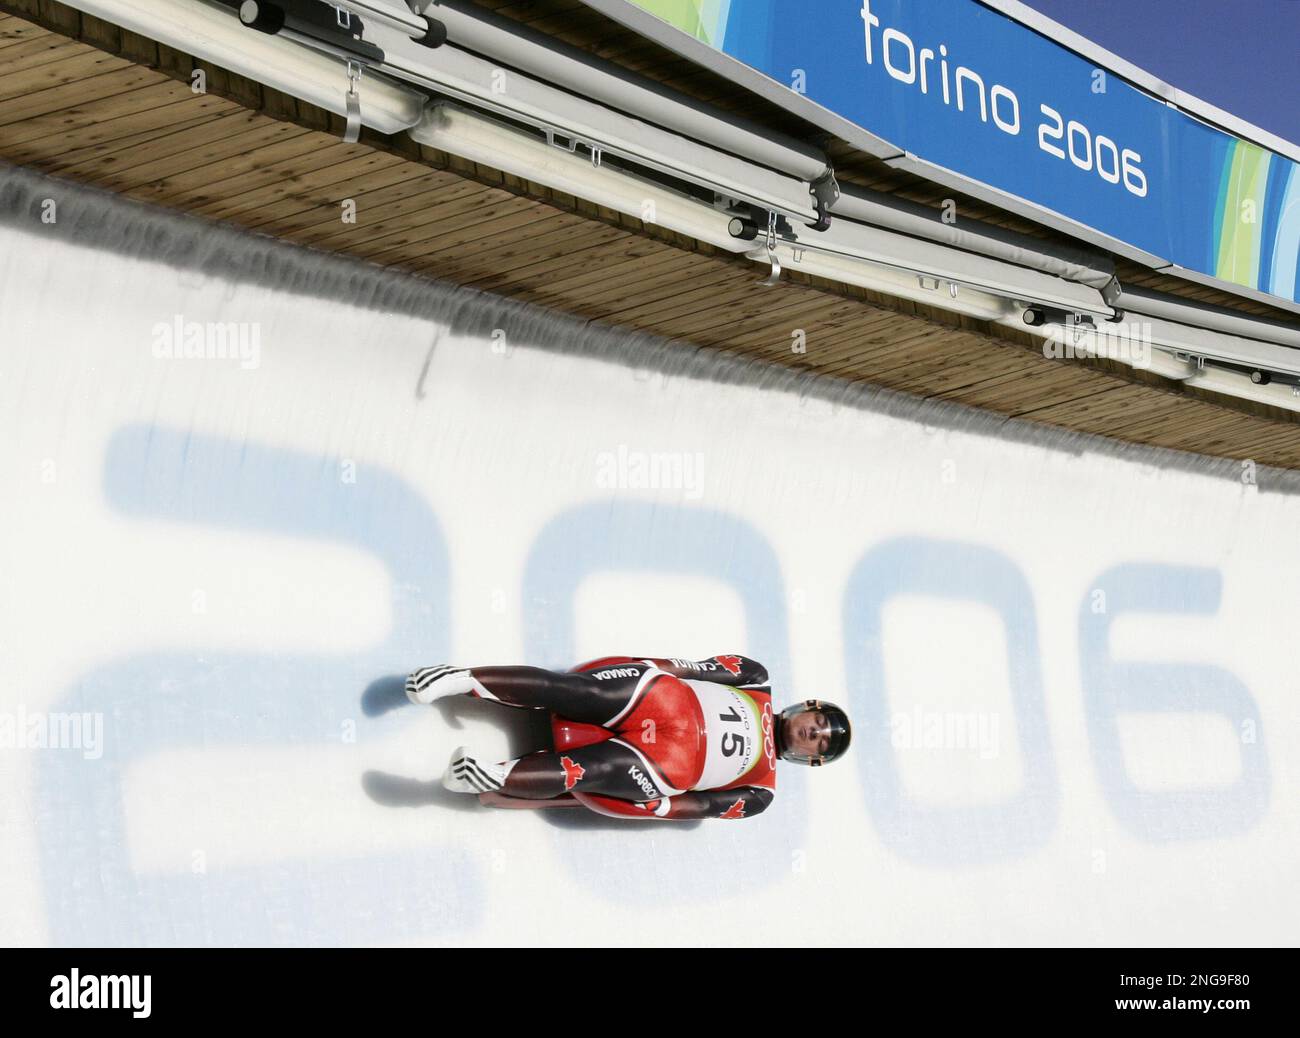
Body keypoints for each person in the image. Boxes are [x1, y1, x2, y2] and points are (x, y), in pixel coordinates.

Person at [404, 654, 850, 821]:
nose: (814, 732)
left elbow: (705, 805)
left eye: (820, 743)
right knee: (574, 691)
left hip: (669, 765)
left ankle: (487, 777)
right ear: (807, 706)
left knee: (590, 770)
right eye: (819, 721)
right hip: (659, 697)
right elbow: (692, 669)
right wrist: (646, 668)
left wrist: (657, 807)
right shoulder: (755, 677)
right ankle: (458, 679)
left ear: (811, 759)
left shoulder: (762, 792)